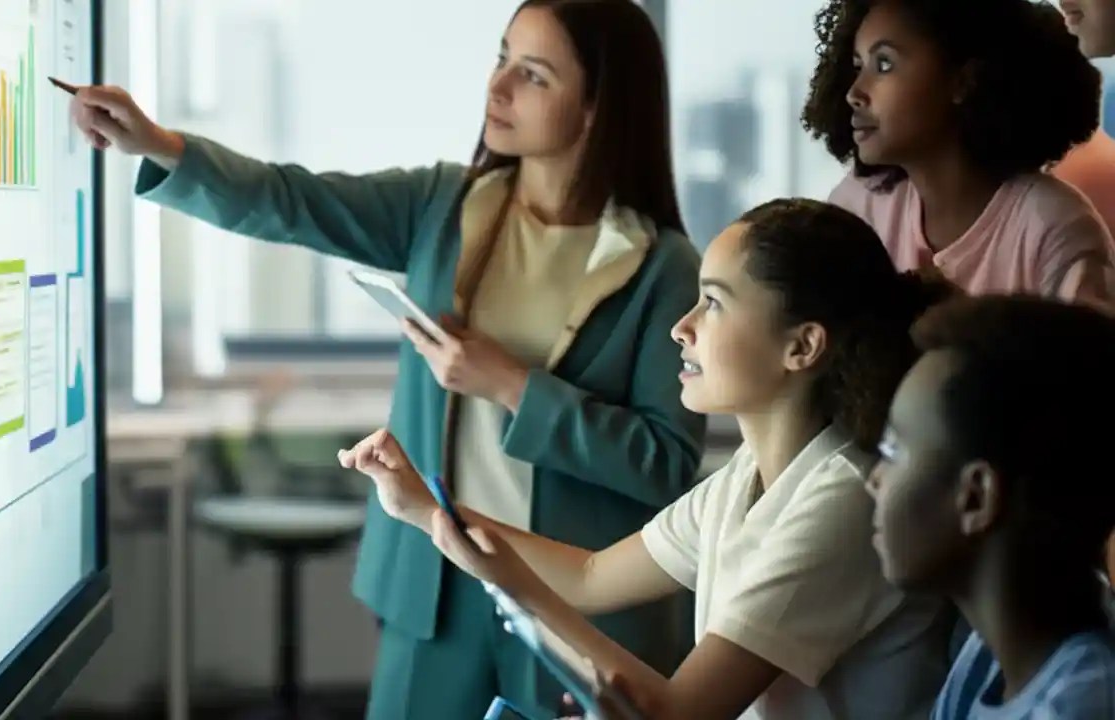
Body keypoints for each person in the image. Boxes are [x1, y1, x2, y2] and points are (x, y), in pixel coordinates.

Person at [69, 1, 703, 717]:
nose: (497, 87)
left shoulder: (666, 270)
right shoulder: (442, 204)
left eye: (533, 75)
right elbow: (290, 200)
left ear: (597, 107)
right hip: (435, 586)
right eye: (502, 58)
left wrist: (510, 385)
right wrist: (158, 144)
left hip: (577, 611)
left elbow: (665, 464)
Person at [342, 198, 958, 719]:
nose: (682, 328)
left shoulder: (843, 498)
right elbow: (589, 577)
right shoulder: (745, 479)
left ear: (802, 346)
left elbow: (678, 714)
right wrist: (422, 509)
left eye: (713, 303)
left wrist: (517, 588)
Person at [867, 295, 1115, 718]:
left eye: (893, 449)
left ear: (976, 497)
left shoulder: (1079, 706)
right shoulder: (985, 658)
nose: (873, 479)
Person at [802, 0, 1115, 309]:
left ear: (963, 81)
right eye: (858, 67)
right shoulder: (859, 205)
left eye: (884, 64)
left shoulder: (1053, 229)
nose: (854, 93)